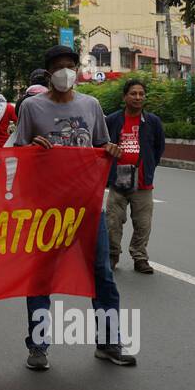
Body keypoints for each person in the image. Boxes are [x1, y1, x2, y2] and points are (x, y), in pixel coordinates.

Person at [13, 45, 136, 369]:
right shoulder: (32, 108)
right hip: (47, 210)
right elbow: (16, 152)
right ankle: (38, 347)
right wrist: (31, 148)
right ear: (49, 72)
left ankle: (109, 343)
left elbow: (101, 147)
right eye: (58, 66)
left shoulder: (91, 105)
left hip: (87, 207)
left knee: (102, 275)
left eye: (69, 65)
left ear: (76, 69)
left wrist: (110, 149)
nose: (64, 71)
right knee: (41, 279)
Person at [105, 78, 165, 275]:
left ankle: (140, 258)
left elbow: (158, 149)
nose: (138, 97)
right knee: (113, 222)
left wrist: (147, 168)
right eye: (133, 93)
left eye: (141, 94)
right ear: (125, 97)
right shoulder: (113, 120)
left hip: (143, 183)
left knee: (143, 224)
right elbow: (102, 145)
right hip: (117, 180)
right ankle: (112, 257)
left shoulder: (153, 122)